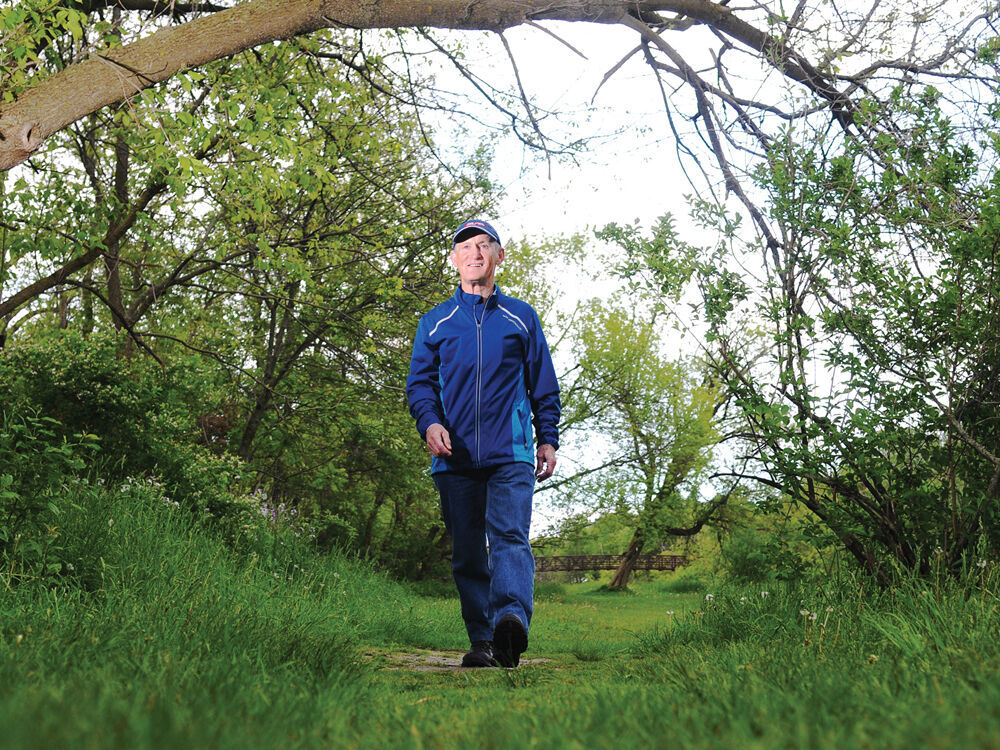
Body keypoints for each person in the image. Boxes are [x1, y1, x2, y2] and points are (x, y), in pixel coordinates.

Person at [406, 219, 560, 668]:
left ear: (498, 256)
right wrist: (430, 424)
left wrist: (547, 438)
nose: (474, 253)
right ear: (454, 260)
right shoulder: (435, 323)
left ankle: (510, 623)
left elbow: (543, 384)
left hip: (511, 452)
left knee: (510, 537)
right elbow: (419, 386)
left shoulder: (521, 317)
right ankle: (483, 640)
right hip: (454, 456)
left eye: (483, 245)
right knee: (468, 550)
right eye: (466, 247)